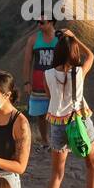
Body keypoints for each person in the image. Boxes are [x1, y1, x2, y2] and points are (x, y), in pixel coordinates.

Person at [42, 31, 94, 188]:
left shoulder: (47, 74)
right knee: (92, 165)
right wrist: (76, 37)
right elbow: (91, 55)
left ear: (57, 52)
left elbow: (50, 97)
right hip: (80, 121)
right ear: (74, 52)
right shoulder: (79, 72)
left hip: (58, 125)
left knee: (57, 174)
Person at [21, 17, 60, 149]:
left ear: (51, 23)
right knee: (41, 113)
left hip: (57, 81)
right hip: (39, 83)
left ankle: (59, 141)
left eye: (42, 22)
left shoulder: (60, 38)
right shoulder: (33, 39)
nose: (39, 24)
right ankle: (45, 141)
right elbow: (27, 61)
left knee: (59, 112)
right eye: (38, 22)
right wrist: (27, 82)